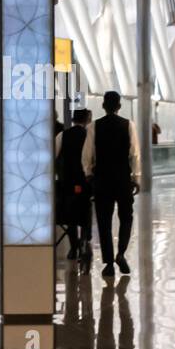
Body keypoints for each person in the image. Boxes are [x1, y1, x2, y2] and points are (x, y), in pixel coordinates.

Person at [82, 91, 141, 277]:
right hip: (123, 178)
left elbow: (87, 155)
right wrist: (136, 178)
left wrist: (89, 174)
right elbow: (135, 154)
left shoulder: (94, 127)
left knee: (104, 220)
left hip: (102, 180)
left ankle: (108, 263)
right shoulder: (128, 125)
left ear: (103, 106)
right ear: (119, 106)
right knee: (126, 217)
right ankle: (121, 253)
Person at [55, 108, 94, 265]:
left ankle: (73, 248)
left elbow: (53, 155)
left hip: (67, 182)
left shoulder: (62, 135)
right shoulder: (90, 136)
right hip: (85, 181)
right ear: (87, 120)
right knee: (85, 212)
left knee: (70, 215)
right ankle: (84, 241)